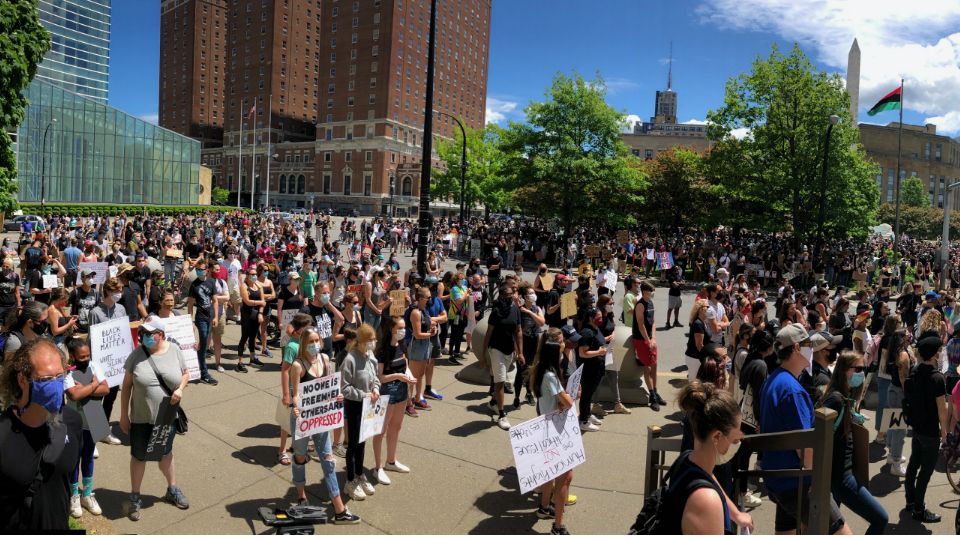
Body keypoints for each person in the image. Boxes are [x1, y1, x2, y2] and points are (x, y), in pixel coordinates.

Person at [759, 323, 851, 534]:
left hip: (778, 477)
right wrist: (819, 484)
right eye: (808, 344)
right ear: (796, 348)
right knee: (842, 533)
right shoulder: (793, 390)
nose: (812, 348)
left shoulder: (773, 380)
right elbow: (806, 448)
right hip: (798, 484)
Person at [0, 338, 82, 530]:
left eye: (60, 376)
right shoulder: (2, 433)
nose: (56, 385)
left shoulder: (73, 422)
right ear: (22, 380)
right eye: (46, 380)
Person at [653, 380, 752, 534]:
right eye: (735, 439)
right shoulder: (707, 501)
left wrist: (736, 514)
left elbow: (709, 477)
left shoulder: (688, 460)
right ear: (717, 436)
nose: (739, 441)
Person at [119, 316, 190, 521]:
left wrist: (180, 389)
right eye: (143, 333)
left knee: (165, 453)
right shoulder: (136, 355)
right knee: (139, 456)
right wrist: (123, 415)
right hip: (141, 418)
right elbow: (126, 387)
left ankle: (172, 489)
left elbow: (185, 374)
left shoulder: (174, 350)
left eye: (149, 333)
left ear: (161, 335)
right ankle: (135, 496)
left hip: (167, 416)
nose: (145, 336)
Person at [288, 326, 360, 523]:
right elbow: (295, 394)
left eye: (316, 340)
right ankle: (301, 495)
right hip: (303, 419)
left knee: (328, 460)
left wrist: (337, 396)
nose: (314, 345)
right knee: (300, 457)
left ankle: (339, 509)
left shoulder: (326, 359)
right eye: (310, 341)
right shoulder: (298, 365)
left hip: (321, 418)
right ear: (304, 344)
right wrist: (295, 406)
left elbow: (330, 385)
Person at [819, 350, 888, 534]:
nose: (861, 373)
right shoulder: (835, 399)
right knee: (881, 518)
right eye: (857, 369)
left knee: (827, 529)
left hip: (842, 473)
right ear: (844, 370)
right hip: (841, 477)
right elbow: (819, 434)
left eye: (863, 369)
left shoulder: (843, 396)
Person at [531, 330, 576, 535]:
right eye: (560, 349)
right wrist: (572, 396)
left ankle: (544, 507)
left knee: (549, 473)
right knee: (565, 478)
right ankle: (558, 526)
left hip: (547, 428)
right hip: (555, 432)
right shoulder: (550, 376)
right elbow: (568, 402)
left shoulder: (541, 370)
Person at [904, 333, 950, 523]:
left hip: (917, 427)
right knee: (925, 472)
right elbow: (942, 410)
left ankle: (910, 501)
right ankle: (919, 509)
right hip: (930, 431)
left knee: (913, 464)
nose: (940, 353)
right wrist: (944, 433)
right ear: (934, 354)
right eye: (939, 350)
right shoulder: (937, 378)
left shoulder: (914, 372)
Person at [63, 337, 108, 518]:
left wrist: (86, 388)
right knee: (74, 459)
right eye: (82, 357)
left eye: (88, 355)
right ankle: (74, 495)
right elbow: (74, 395)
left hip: (95, 417)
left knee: (88, 456)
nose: (86, 359)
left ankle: (87, 495)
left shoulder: (95, 366)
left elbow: (106, 389)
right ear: (73, 356)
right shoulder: (67, 373)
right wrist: (94, 384)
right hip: (76, 422)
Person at [371, 316, 415, 486]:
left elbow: (405, 365)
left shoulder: (402, 345)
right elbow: (380, 377)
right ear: (391, 330)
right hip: (387, 392)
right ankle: (378, 467)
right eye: (400, 328)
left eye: (404, 327)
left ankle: (391, 461)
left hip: (402, 391)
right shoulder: (383, 350)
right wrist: (398, 376)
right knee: (380, 431)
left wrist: (409, 376)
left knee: (396, 426)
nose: (403, 331)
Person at [340, 323, 380, 501]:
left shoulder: (370, 355)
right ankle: (350, 481)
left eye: (374, 340)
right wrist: (363, 395)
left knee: (363, 442)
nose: (373, 343)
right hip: (355, 406)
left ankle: (359, 474)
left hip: (368, 406)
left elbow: (375, 377)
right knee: (353, 444)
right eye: (370, 340)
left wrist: (376, 388)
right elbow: (344, 388)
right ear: (361, 341)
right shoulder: (350, 359)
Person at [482, 284, 523, 430]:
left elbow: (518, 331)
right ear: (501, 296)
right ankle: (501, 414)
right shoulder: (496, 312)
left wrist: (520, 352)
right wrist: (483, 354)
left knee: (502, 377)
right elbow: (488, 333)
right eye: (506, 295)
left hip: (509, 350)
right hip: (496, 349)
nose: (509, 297)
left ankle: (493, 403)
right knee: (500, 382)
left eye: (511, 294)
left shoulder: (515, 309)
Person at [278, 313, 313, 466]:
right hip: (293, 391)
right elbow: (285, 371)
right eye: (307, 328)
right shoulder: (292, 346)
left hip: (304, 389)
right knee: (287, 423)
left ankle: (295, 445)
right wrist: (286, 394)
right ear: (299, 330)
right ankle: (282, 450)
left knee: (300, 420)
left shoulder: (305, 343)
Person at [186, 258, 218, 385]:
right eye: (197, 269)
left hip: (210, 317)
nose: (199, 271)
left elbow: (215, 301)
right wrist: (190, 321)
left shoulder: (211, 282)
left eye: (201, 269)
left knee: (205, 343)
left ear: (207, 270)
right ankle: (204, 373)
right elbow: (190, 304)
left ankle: (199, 365)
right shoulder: (194, 285)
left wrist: (215, 317)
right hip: (200, 318)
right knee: (204, 342)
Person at [632, 281, 663, 410]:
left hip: (650, 338)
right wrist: (647, 340)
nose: (653, 293)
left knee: (654, 365)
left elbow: (653, 321)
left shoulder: (650, 302)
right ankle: (652, 396)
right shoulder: (640, 305)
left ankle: (655, 391)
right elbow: (641, 325)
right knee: (648, 367)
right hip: (641, 339)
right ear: (645, 292)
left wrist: (653, 338)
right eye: (651, 291)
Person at [884, 328, 911, 477]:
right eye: (906, 334)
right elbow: (903, 379)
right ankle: (896, 463)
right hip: (900, 393)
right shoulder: (903, 354)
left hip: (892, 389)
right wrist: (909, 397)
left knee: (893, 425)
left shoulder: (893, 352)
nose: (909, 335)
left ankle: (891, 455)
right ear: (902, 338)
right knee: (900, 430)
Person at [406, 287, 436, 412]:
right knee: (412, 376)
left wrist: (432, 328)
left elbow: (427, 326)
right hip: (417, 345)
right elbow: (417, 334)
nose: (430, 299)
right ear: (421, 298)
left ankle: (418, 398)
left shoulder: (424, 310)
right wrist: (431, 334)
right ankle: (408, 403)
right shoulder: (415, 312)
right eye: (428, 297)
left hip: (425, 344)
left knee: (420, 374)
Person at [515, 284, 545, 409]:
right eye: (530, 293)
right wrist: (518, 351)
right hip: (523, 343)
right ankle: (516, 397)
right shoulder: (518, 310)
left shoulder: (536, 308)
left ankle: (528, 393)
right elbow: (516, 331)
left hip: (534, 341)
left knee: (531, 369)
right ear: (524, 297)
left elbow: (541, 322)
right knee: (520, 370)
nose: (533, 295)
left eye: (534, 293)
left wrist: (529, 312)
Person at [237, 266, 266, 372]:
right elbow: (247, 302)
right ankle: (240, 362)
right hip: (247, 314)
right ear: (248, 276)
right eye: (252, 274)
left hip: (256, 314)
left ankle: (252, 358)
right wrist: (260, 303)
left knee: (253, 337)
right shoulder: (244, 286)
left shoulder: (258, 285)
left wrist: (260, 313)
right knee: (244, 337)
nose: (254, 276)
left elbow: (263, 302)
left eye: (255, 274)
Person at [685, 299, 709, 383]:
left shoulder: (703, 322)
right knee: (694, 383)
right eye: (707, 307)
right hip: (695, 358)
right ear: (701, 309)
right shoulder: (698, 324)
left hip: (699, 357)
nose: (709, 308)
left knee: (699, 382)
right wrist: (709, 355)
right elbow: (699, 346)